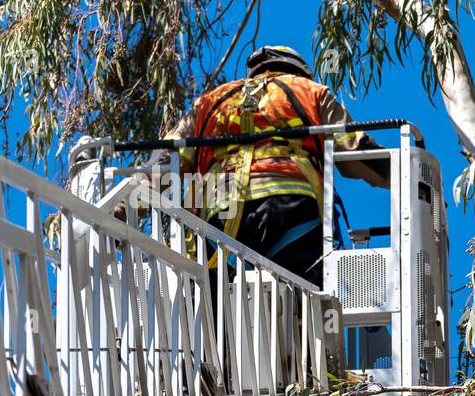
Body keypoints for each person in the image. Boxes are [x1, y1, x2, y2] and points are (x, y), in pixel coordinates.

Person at [153, 45, 390, 287]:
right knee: (304, 308)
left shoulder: (209, 102)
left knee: (216, 311)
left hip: (221, 212)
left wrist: (123, 208)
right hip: (292, 208)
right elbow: (357, 150)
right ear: (298, 70)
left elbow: (165, 162)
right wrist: (410, 179)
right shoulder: (308, 91)